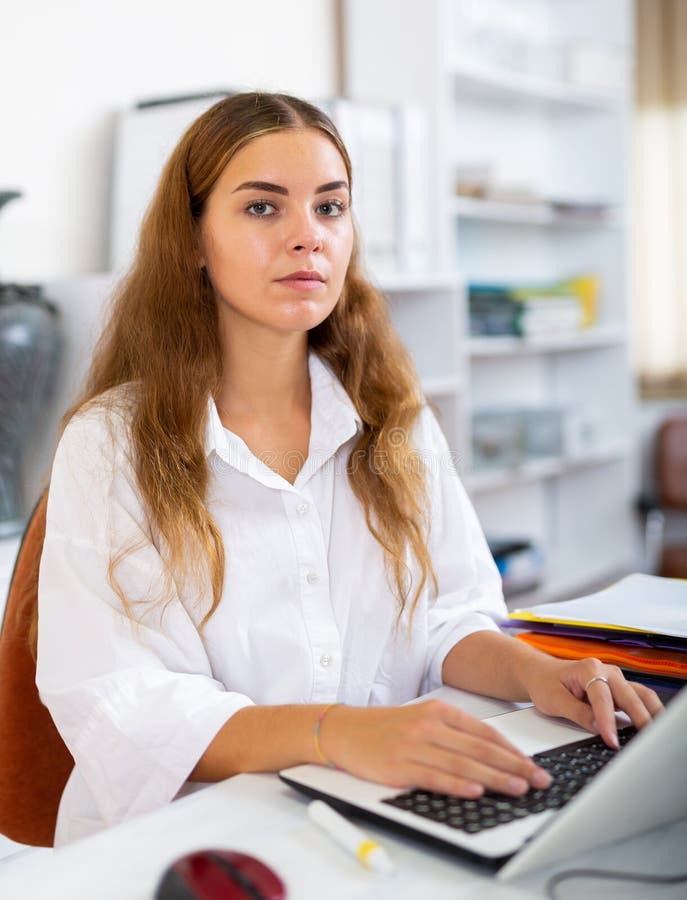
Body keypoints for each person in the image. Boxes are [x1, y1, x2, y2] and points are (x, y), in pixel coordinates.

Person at [36, 92, 662, 845]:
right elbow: (124, 702)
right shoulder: (111, 443)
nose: (308, 238)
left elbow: (443, 617)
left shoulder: (390, 416)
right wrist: (338, 733)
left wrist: (532, 673)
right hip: (190, 839)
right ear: (193, 240)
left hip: (372, 811)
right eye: (263, 209)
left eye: (329, 208)